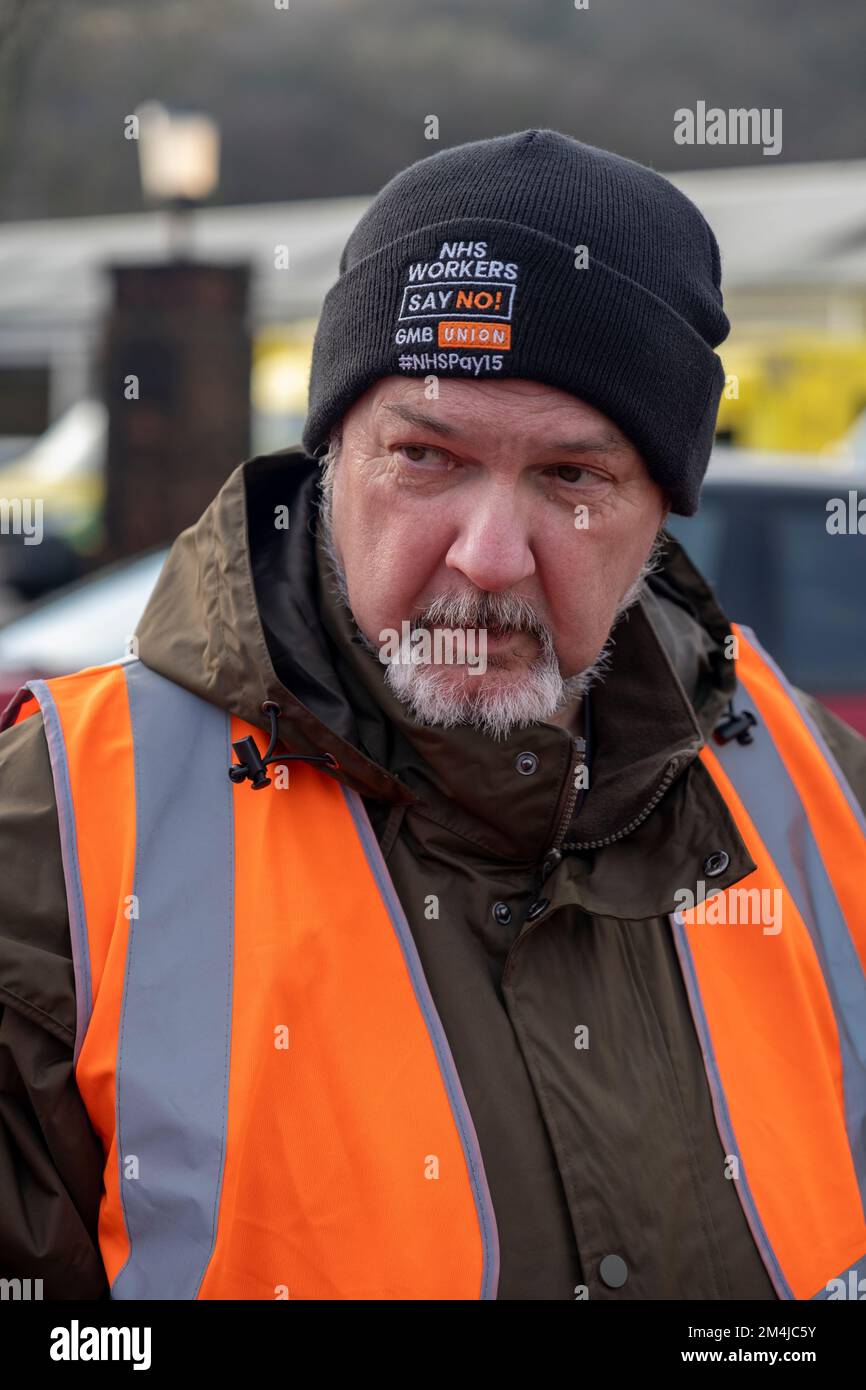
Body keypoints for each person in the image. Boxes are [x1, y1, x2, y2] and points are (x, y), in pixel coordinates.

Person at [1, 129, 865, 1302]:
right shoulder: (50, 834)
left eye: (571, 477)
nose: (487, 555)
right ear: (330, 459)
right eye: (425, 456)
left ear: (658, 505)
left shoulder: (814, 788)